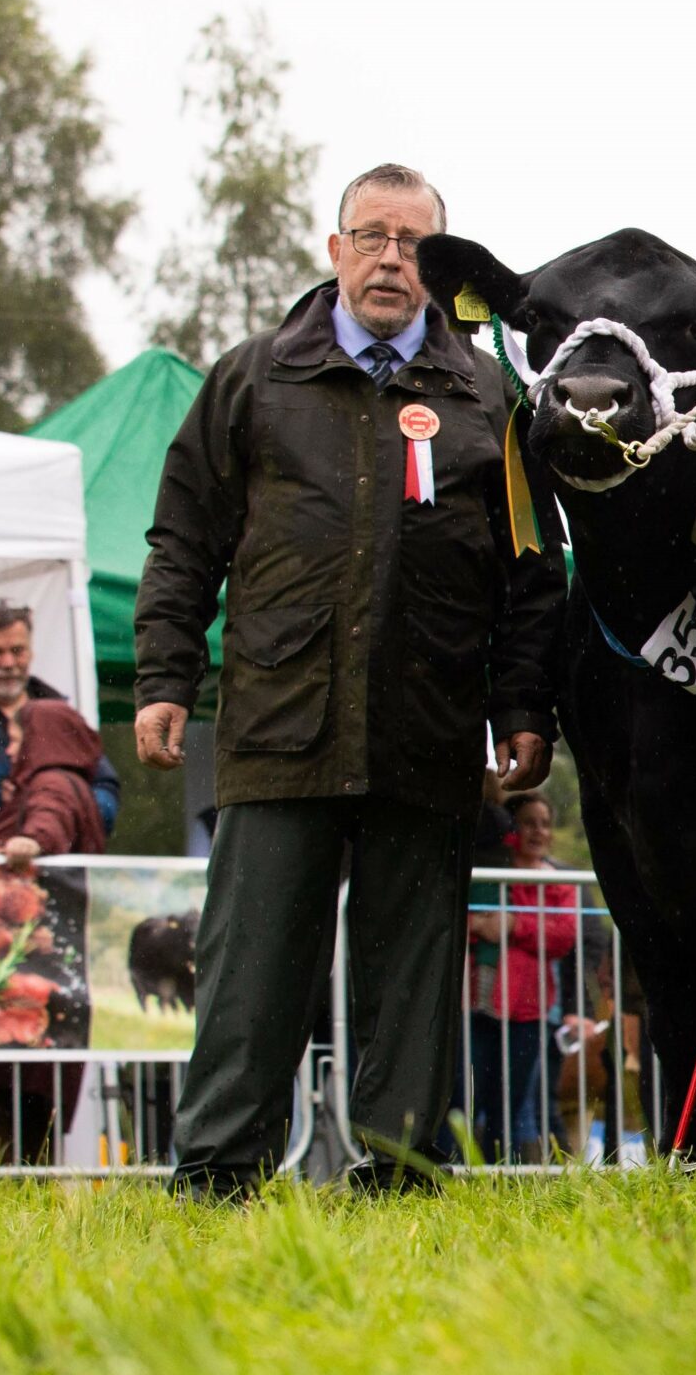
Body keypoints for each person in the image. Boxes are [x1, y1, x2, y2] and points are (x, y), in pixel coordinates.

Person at [134, 163, 566, 1199]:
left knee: (412, 974)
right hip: (279, 724)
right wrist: (163, 676)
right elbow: (184, 540)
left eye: (413, 243)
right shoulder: (252, 379)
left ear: (439, 266)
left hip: (428, 727)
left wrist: (521, 710)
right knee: (252, 967)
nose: (390, 259)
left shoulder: (490, 400)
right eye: (371, 235)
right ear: (334, 251)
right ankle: (218, 1170)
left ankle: (401, 1170)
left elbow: (531, 573)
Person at [0, 697, 106, 1161]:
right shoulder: (68, 782)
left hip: (32, 985)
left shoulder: (53, 783)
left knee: (19, 1101)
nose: (15, 744)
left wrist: (31, 841)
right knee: (33, 1106)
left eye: (22, 735)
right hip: (54, 982)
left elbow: (49, 823)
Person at [457, 793, 580, 1160]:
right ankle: (456, 1176)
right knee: (465, 1100)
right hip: (477, 1004)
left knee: (511, 1106)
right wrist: (482, 924)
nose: (538, 831)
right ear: (511, 829)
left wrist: (514, 925)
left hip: (527, 1011)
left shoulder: (556, 881)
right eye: (528, 822)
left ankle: (507, 1182)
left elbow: (563, 935)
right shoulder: (486, 871)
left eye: (544, 823)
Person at [0, 602, 119, 835]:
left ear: (31, 652)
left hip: (56, 863)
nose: (8, 664)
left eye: (16, 651)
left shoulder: (60, 715)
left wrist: (66, 807)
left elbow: (104, 788)